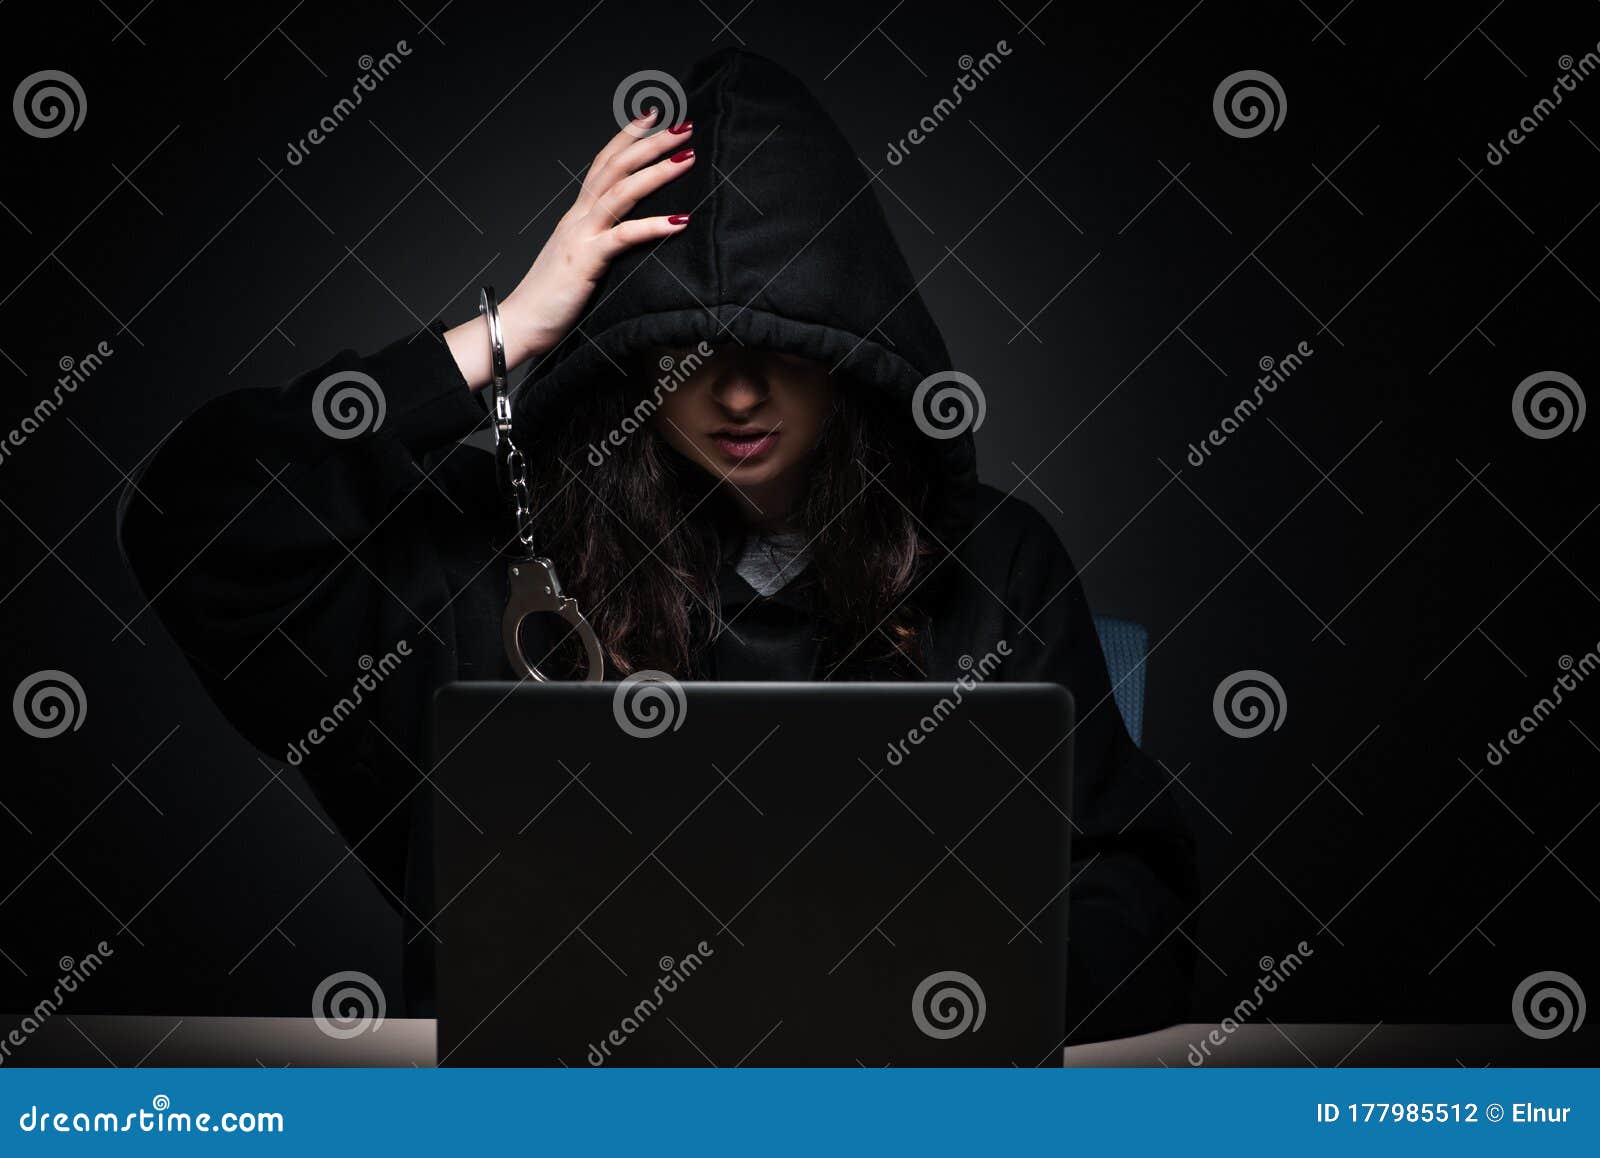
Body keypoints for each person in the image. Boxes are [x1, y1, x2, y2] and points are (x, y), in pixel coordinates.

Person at [116, 47, 1194, 1041]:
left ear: (851, 348)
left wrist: (931, 1016)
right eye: (690, 346)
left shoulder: (993, 561)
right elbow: (191, 522)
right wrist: (499, 335)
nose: (737, 393)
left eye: (782, 345)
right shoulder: (492, 554)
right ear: (631, 355)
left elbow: (1133, 894)